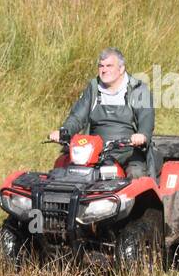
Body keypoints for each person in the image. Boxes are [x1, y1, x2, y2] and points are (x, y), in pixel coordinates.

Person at [49, 48, 158, 179]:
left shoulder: (138, 89)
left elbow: (146, 118)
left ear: (121, 69)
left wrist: (142, 135)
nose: (104, 70)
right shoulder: (94, 87)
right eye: (101, 66)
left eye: (109, 66)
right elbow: (77, 117)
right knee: (62, 168)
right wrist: (64, 131)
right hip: (94, 151)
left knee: (136, 174)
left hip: (128, 151)